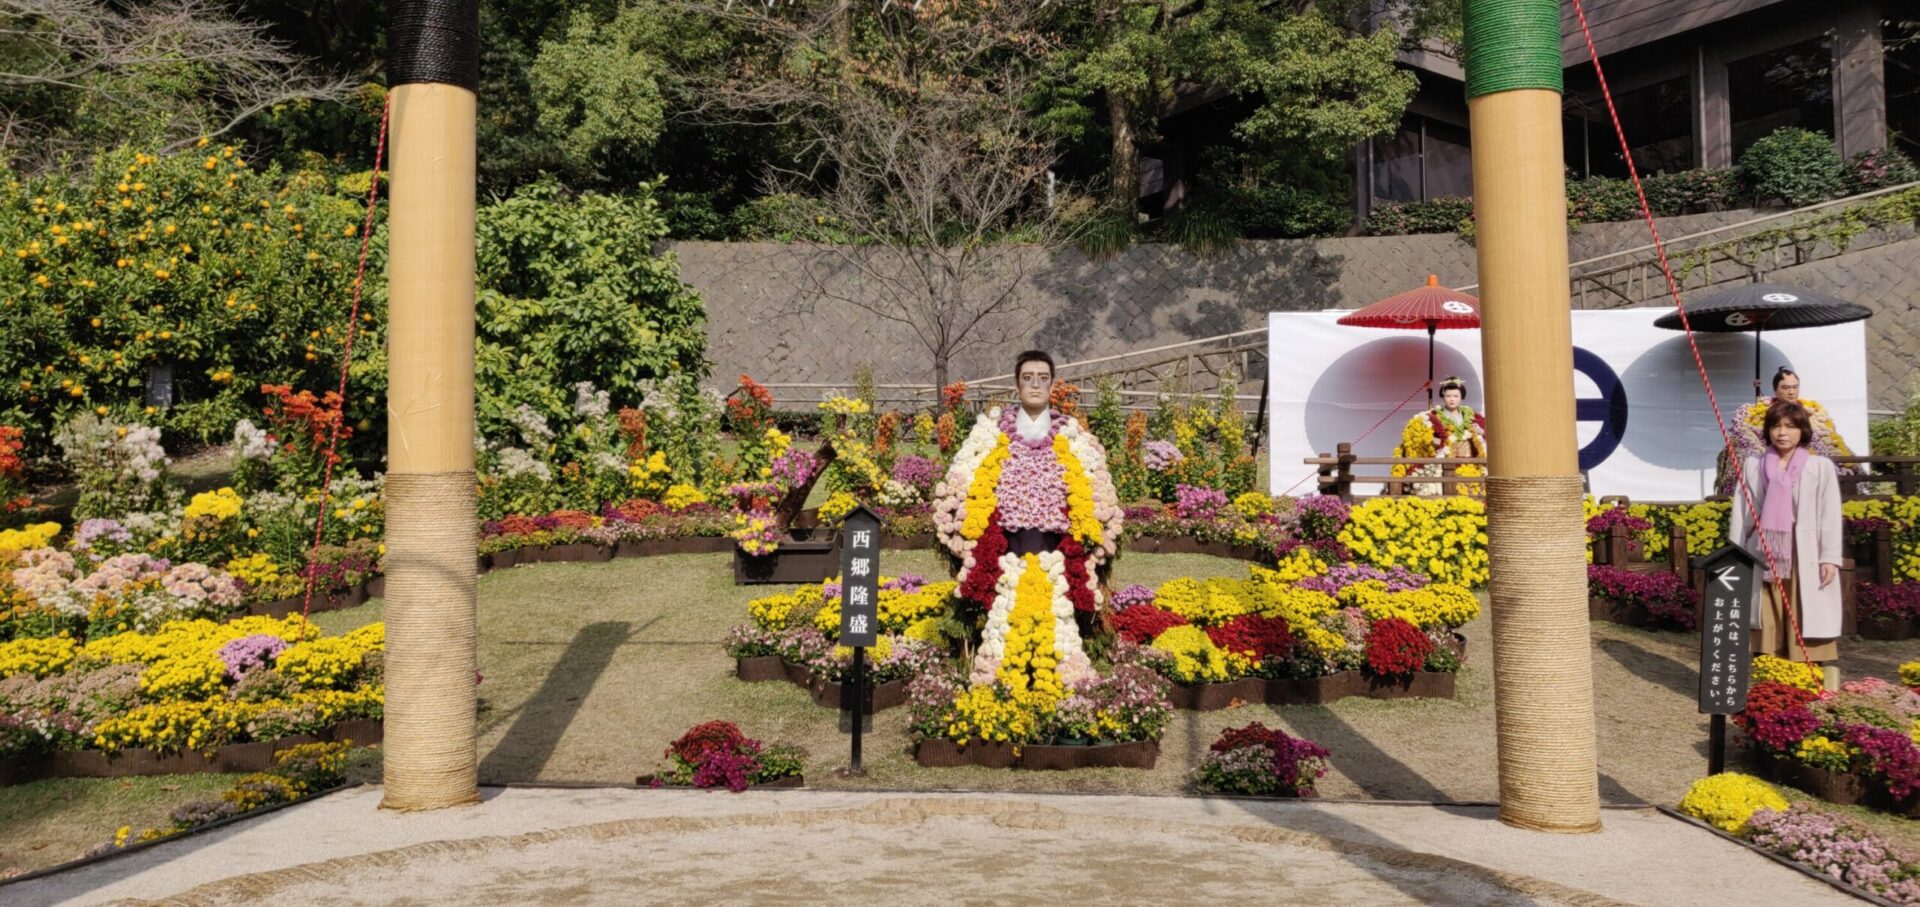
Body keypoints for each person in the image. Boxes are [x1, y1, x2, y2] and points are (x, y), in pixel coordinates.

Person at [931, 350, 1123, 688]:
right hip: (1005, 537)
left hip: (1057, 538)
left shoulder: (1070, 433)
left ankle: (1059, 663)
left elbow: (1093, 484)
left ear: (1052, 385)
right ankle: (1003, 663)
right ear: (1016, 385)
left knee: (1055, 596)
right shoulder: (992, 432)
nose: (1035, 385)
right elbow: (968, 475)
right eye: (1027, 378)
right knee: (1008, 595)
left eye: (1043, 378)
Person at [1727, 400, 1844, 690]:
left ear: (1802, 431)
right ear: (1767, 431)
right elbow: (1742, 511)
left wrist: (1830, 557)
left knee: (1803, 608)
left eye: (1790, 427)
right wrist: (1735, 553)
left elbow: (1830, 514)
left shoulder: (1819, 467)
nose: (1782, 433)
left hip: (1804, 551)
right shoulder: (1754, 465)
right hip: (1763, 550)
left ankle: (1809, 679)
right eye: (1776, 426)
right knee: (1767, 608)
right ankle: (1767, 678)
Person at [1715, 367, 1855, 497]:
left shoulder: (1815, 412)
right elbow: (1747, 437)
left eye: (1795, 387)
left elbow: (1831, 440)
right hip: (1774, 462)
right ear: (1776, 390)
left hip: (1812, 465)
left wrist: (1840, 463)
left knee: (1848, 463)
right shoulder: (1756, 412)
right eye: (1786, 387)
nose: (1791, 392)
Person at [1391, 376, 1487, 496]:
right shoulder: (1433, 417)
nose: (1452, 399)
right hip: (1443, 462)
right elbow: (1427, 440)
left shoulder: (1472, 416)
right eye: (1448, 396)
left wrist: (1480, 434)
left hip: (1469, 461)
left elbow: (1483, 436)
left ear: (1462, 397)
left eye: (1456, 396)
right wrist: (1434, 440)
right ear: (1443, 396)